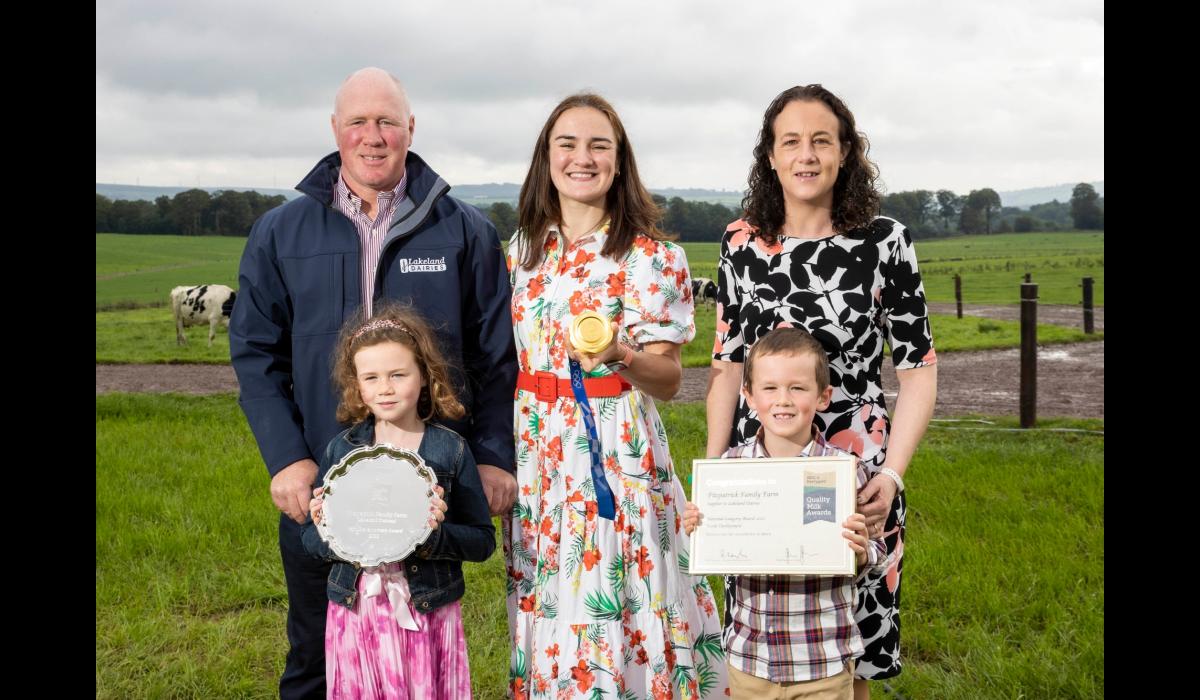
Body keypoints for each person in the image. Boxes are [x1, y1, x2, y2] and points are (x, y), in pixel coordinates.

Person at [229, 67, 517, 698]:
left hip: (430, 480)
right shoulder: (281, 232)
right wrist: (287, 460)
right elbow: (255, 353)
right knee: (315, 647)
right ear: (335, 130)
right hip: (321, 478)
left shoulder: (465, 231)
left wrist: (492, 457)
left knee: (422, 650)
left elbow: (497, 358)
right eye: (357, 121)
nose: (373, 135)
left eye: (387, 120)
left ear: (411, 129)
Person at [705, 84, 937, 699]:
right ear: (771, 157)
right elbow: (728, 367)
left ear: (844, 153)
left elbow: (917, 369)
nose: (806, 154)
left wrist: (892, 476)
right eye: (791, 142)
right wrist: (715, 471)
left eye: (821, 141)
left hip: (860, 469)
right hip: (764, 468)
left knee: (853, 650)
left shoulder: (885, 241)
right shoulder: (740, 244)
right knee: (767, 632)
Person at [505, 93, 728, 699]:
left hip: (614, 451)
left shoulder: (652, 258)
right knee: (548, 593)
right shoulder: (520, 256)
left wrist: (622, 356)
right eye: (567, 145)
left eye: (599, 145)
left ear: (620, 159)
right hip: (537, 458)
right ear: (545, 159)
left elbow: (671, 379)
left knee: (620, 586)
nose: (583, 158)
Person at [301, 304, 495, 698]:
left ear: (424, 376)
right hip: (356, 612)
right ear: (357, 385)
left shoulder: (450, 450)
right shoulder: (343, 451)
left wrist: (434, 536)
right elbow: (309, 542)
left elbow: (482, 541)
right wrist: (324, 526)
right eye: (371, 378)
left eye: (398, 375)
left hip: (425, 609)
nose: (384, 388)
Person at [685, 327, 887, 699]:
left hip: (822, 662)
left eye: (797, 388)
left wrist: (861, 550)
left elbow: (876, 550)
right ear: (748, 396)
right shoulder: (729, 469)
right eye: (770, 388)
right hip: (750, 661)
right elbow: (709, 542)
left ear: (822, 397)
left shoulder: (842, 470)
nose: (784, 400)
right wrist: (698, 525)